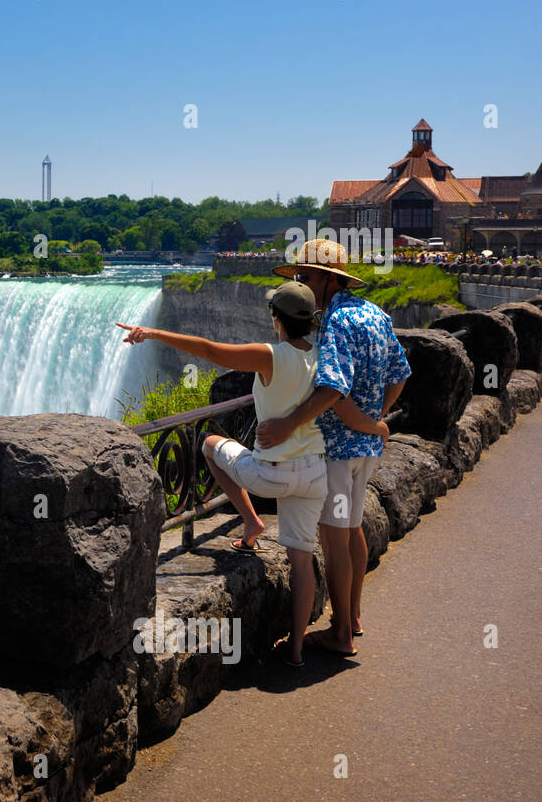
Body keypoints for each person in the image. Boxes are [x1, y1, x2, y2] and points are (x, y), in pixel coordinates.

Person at [116, 280, 387, 666]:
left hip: (268, 473)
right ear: (312, 321)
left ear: (275, 318)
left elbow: (211, 351)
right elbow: (340, 398)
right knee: (301, 560)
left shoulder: (269, 355)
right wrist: (376, 426)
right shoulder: (325, 356)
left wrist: (153, 333)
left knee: (210, 443)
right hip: (314, 475)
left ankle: (250, 522)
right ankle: (295, 649)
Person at [256, 238, 410, 657]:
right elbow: (400, 371)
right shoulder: (373, 313)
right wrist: (375, 418)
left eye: (305, 276)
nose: (302, 283)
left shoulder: (338, 323)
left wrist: (288, 424)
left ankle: (340, 634)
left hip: (339, 452)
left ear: (327, 279)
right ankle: (353, 616)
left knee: (333, 537)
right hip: (365, 451)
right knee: (352, 529)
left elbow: (331, 389)